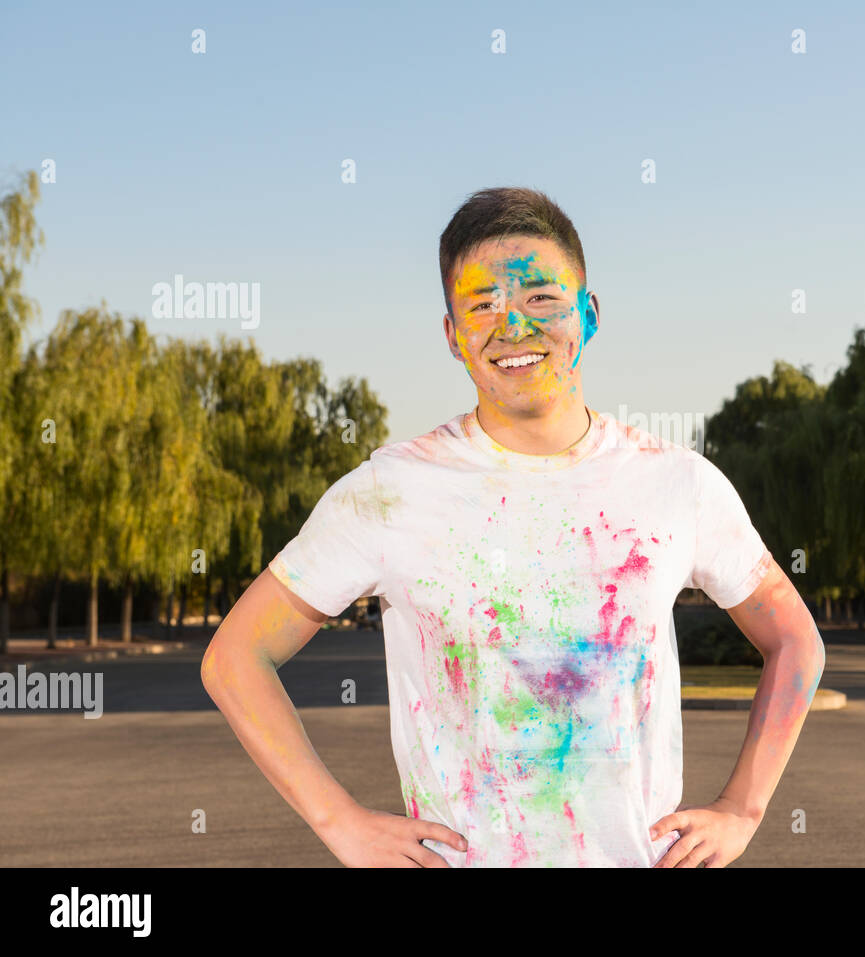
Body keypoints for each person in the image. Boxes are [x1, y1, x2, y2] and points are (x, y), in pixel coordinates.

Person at [200, 187, 826, 867]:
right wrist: (340, 822)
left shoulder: (676, 483)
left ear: (587, 315)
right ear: (451, 335)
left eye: (540, 298)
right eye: (482, 305)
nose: (513, 327)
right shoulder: (390, 492)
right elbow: (235, 659)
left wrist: (743, 807)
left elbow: (794, 640)